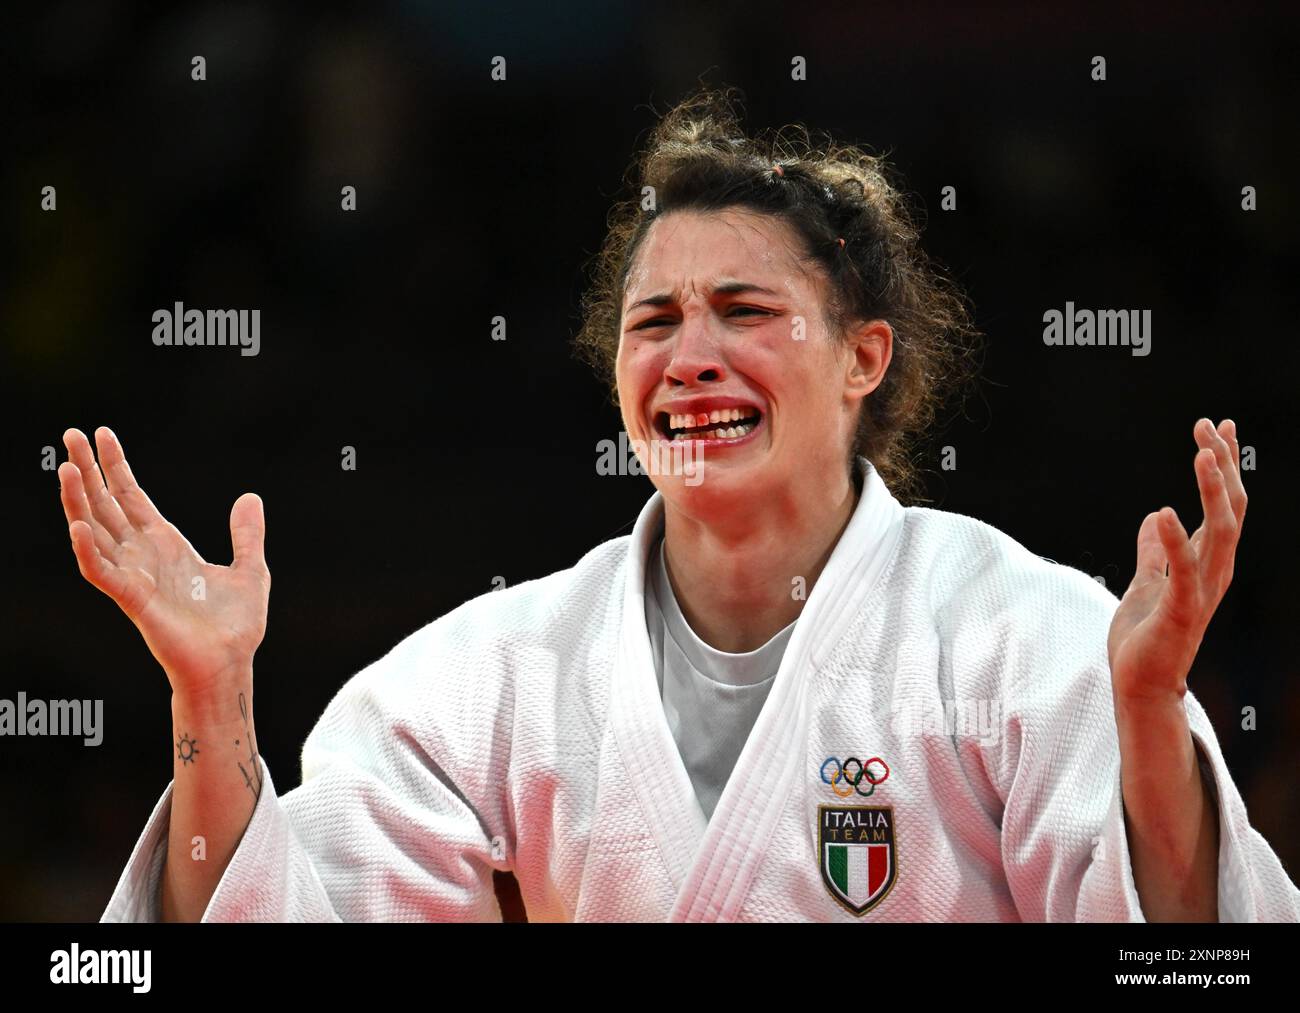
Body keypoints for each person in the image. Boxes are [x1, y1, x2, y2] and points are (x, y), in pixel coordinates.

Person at [66, 86, 1297, 922]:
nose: (689, 354)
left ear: (863, 357)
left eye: (745, 312)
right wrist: (213, 701)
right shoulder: (496, 675)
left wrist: (1143, 717)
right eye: (653, 322)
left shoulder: (1019, 634)